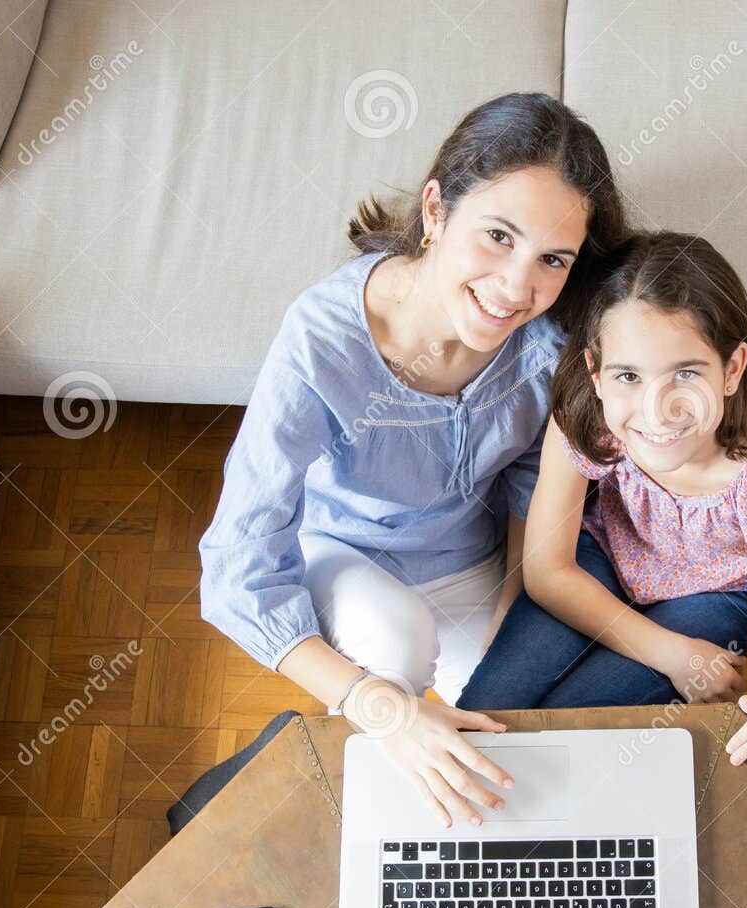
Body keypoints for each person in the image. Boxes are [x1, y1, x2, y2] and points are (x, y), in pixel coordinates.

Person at [199, 93, 626, 828]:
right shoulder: (320, 342)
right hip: (347, 554)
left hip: (475, 560)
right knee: (400, 669)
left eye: (550, 258)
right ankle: (245, 807)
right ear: (436, 211)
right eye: (497, 236)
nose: (517, 287)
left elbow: (531, 474)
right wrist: (385, 709)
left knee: (533, 760)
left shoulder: (549, 337)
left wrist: (509, 627)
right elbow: (236, 566)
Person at [457, 232, 747, 769]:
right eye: (629, 376)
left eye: (685, 372)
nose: (657, 413)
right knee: (484, 716)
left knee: (577, 729)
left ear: (731, 369)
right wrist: (673, 654)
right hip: (608, 553)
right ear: (596, 372)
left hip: (724, 588)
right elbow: (547, 570)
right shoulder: (589, 411)